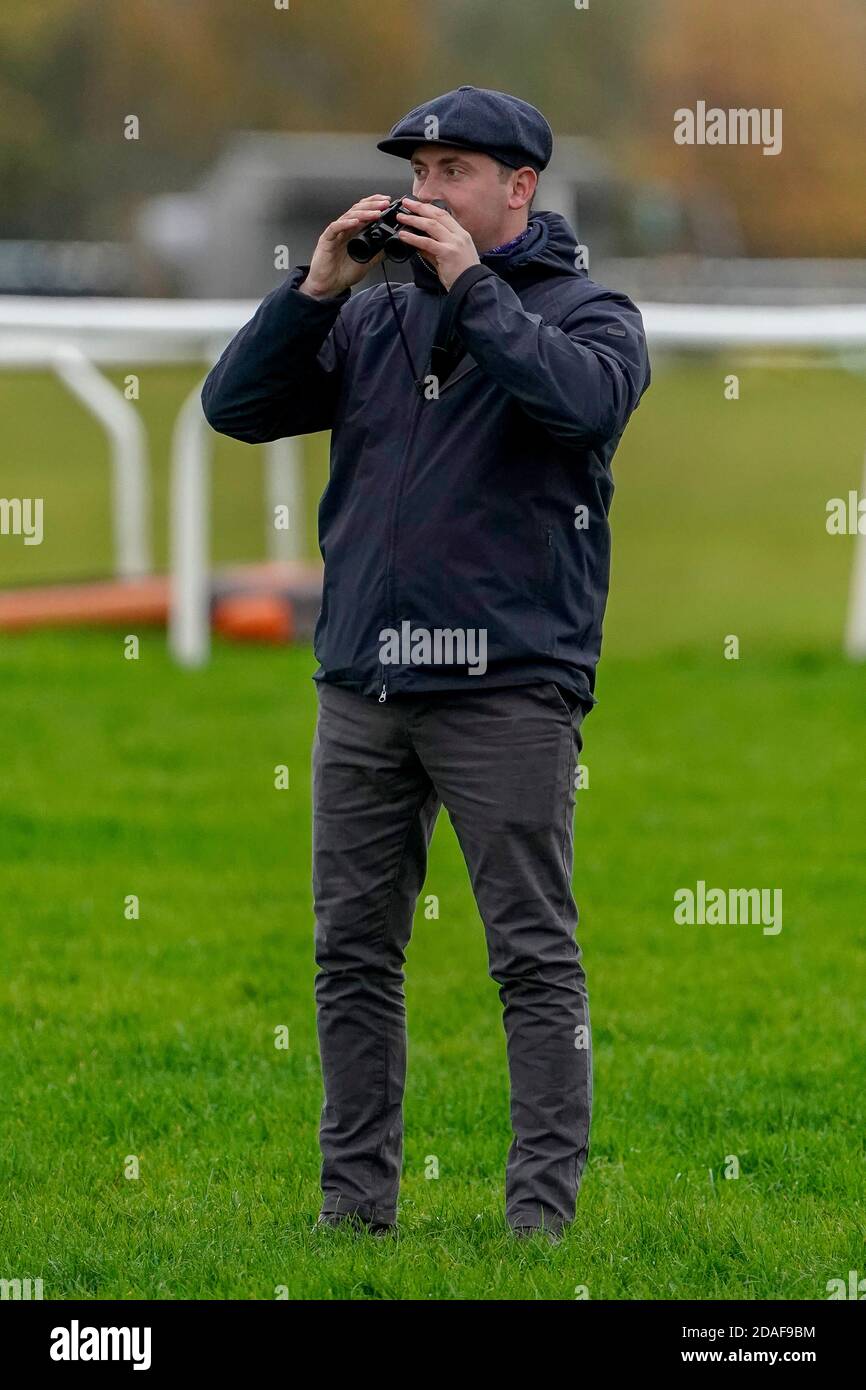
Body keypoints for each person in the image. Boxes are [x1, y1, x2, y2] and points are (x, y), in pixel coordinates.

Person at [201, 85, 651, 1243]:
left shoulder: (593, 314)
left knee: (530, 962)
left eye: (453, 170)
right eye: (418, 168)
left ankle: (537, 1224)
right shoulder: (368, 316)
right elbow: (233, 406)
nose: (424, 189)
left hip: (508, 688)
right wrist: (312, 291)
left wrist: (472, 287)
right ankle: (353, 1214)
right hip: (360, 683)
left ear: (518, 188)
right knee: (350, 956)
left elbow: (575, 404)